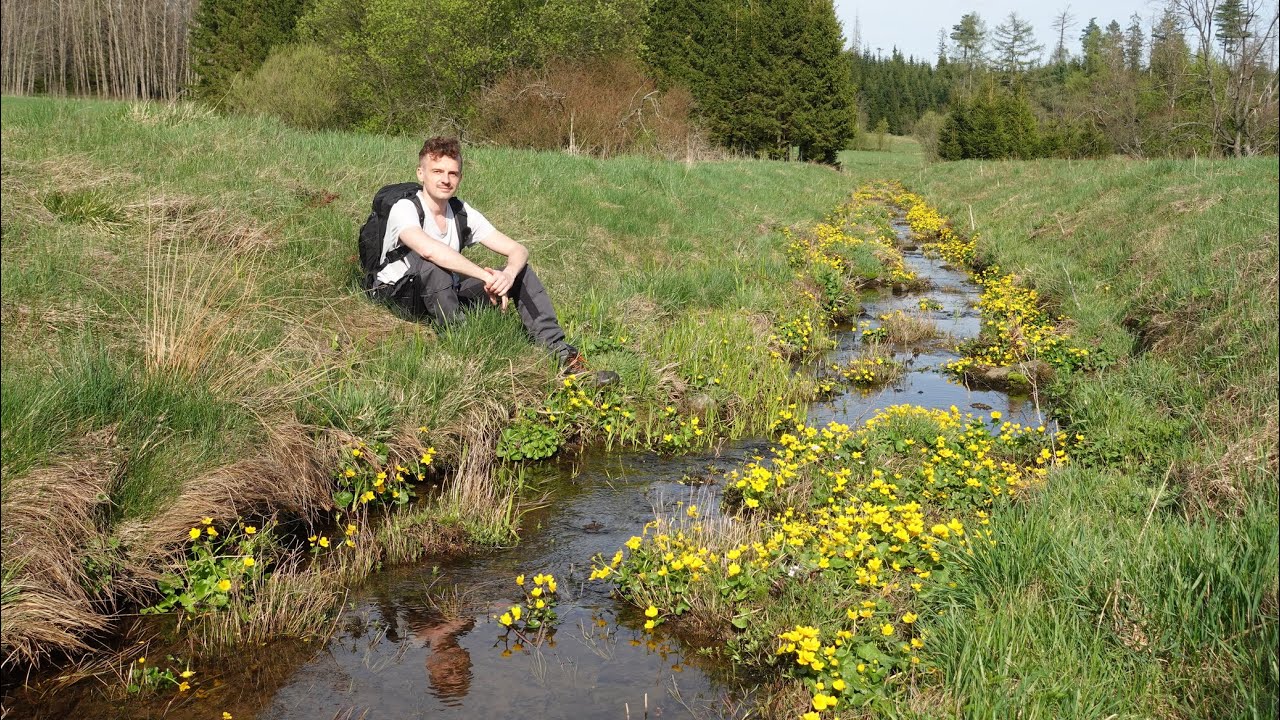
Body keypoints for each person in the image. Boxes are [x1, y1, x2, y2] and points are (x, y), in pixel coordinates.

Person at [370, 136, 582, 368]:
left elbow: (517, 249)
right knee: (432, 265)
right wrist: (485, 276)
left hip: (444, 293)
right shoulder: (406, 208)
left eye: (453, 173)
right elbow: (429, 250)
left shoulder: (461, 213)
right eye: (437, 171)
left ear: (460, 177)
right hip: (398, 294)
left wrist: (507, 276)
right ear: (421, 173)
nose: (445, 180)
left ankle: (558, 351)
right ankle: (463, 346)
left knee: (521, 272)